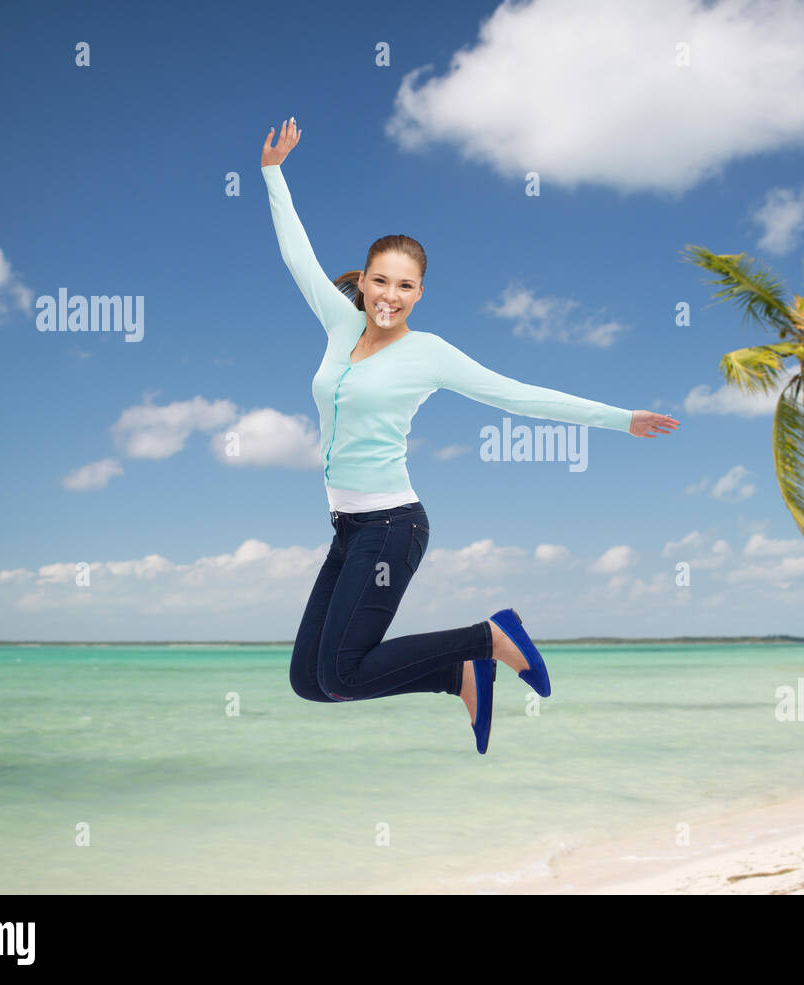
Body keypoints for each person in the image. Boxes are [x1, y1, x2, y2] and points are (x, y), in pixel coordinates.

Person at [262, 117, 679, 754]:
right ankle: (457, 675)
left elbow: (518, 396)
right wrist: (273, 173)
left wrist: (620, 418)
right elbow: (298, 256)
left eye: (404, 286)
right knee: (311, 683)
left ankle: (488, 637)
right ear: (365, 281)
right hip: (348, 530)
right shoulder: (338, 327)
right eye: (380, 281)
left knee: (343, 670)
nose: (389, 296)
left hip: (392, 527)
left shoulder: (429, 354)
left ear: (419, 293)